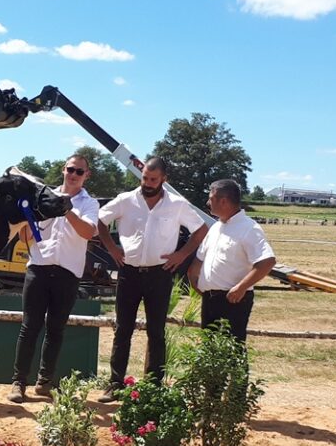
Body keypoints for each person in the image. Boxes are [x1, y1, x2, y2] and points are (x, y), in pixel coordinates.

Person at [97, 157, 208, 402]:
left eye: (153, 179)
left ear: (164, 179)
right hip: (129, 273)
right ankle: (114, 384)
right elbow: (99, 220)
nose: (147, 183)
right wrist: (112, 248)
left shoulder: (177, 205)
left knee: (156, 332)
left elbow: (201, 230)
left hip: (160, 274)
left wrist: (181, 254)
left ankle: (154, 387)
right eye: (145, 178)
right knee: (122, 330)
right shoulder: (125, 200)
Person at [7, 155, 99, 403]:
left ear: (86, 175)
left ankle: (44, 382)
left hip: (68, 273)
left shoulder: (90, 204)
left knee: (56, 330)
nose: (73, 174)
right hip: (38, 267)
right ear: (63, 169)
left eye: (79, 171)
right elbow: (25, 237)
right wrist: (27, 220)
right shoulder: (42, 196)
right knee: (29, 328)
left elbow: (88, 231)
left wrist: (66, 209)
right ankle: (19, 383)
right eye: (70, 169)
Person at [188, 179, 276, 342]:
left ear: (223, 201)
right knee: (209, 349)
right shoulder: (215, 227)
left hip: (233, 300)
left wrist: (241, 288)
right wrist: (194, 278)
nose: (208, 203)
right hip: (210, 299)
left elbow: (267, 261)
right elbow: (200, 258)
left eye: (211, 199)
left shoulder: (249, 228)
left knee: (231, 351)